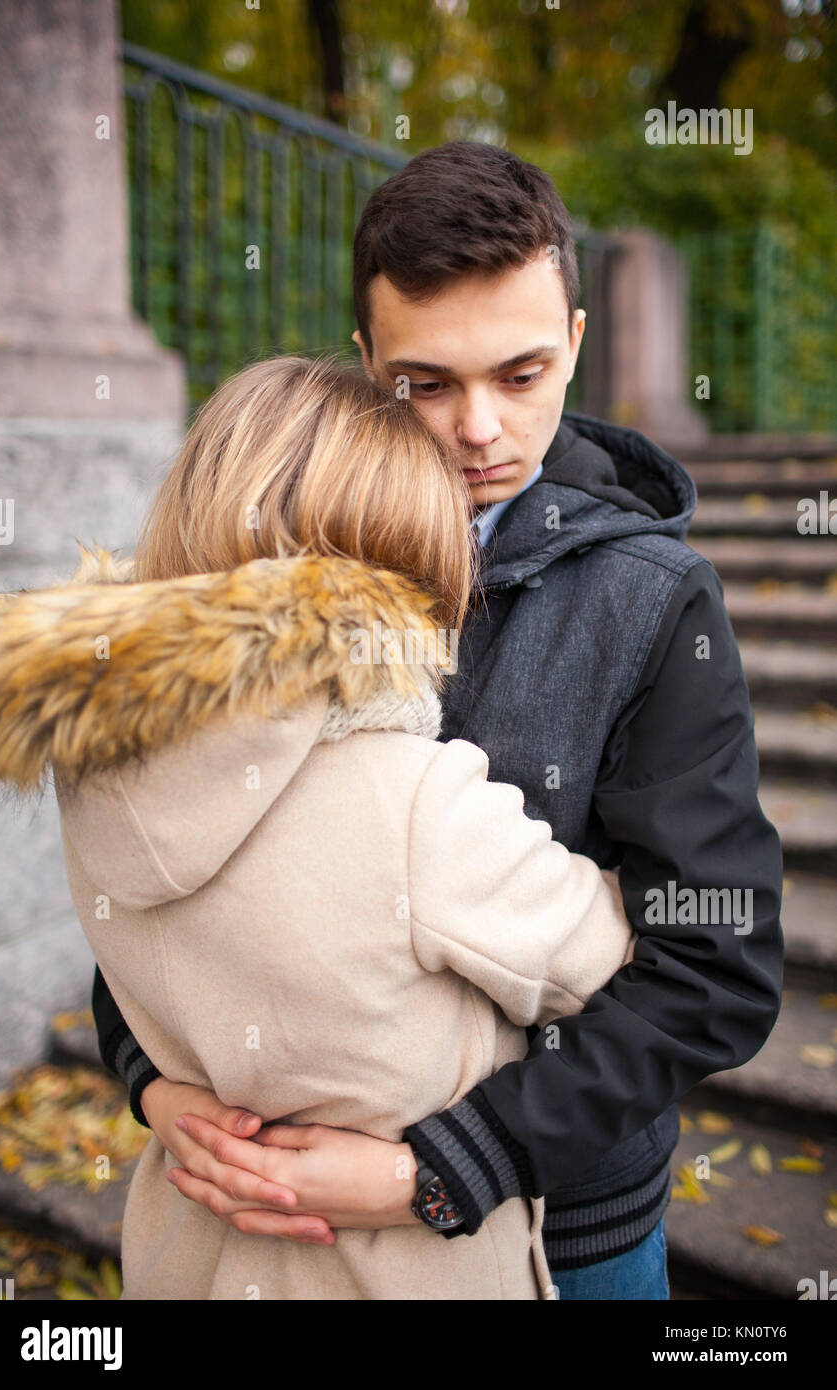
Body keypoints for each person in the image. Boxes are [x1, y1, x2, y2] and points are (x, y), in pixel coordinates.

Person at [90, 141, 784, 1300]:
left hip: (566, 1228)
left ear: (574, 337)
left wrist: (443, 1163)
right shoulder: (274, 556)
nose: (475, 430)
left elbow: (713, 965)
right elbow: (166, 862)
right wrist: (148, 1079)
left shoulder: (656, 600)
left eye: (518, 374)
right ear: (366, 361)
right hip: (259, 1225)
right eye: (424, 383)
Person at [0, 354, 636, 1300]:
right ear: (415, 565)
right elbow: (613, 957)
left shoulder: (96, 780)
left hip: (189, 1257)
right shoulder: (420, 804)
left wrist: (154, 1091)